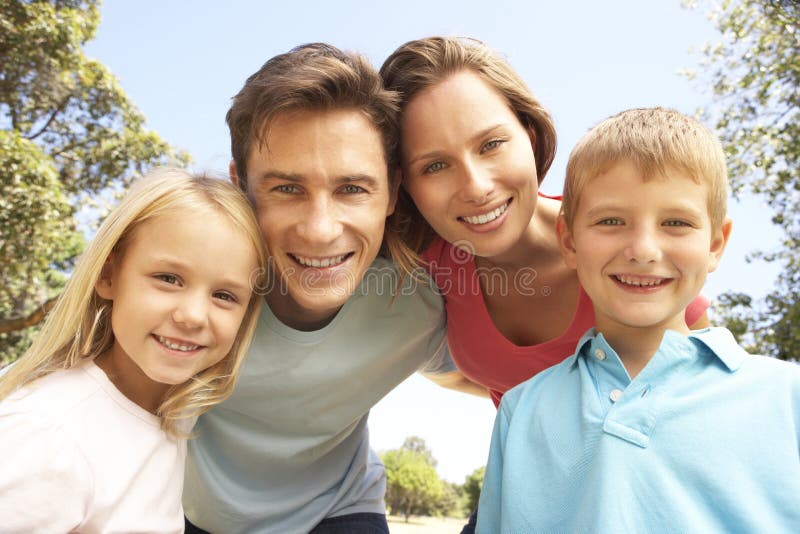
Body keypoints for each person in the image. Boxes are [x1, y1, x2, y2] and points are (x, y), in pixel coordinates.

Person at [182, 43, 472, 534]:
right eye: (287, 189)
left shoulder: (416, 302)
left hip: (339, 510)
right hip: (196, 515)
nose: (320, 230)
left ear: (392, 192)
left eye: (352, 189)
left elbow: (477, 372)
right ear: (240, 188)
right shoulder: (191, 295)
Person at [476, 107, 800, 532]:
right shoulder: (521, 410)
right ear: (569, 241)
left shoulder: (787, 397)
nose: (643, 249)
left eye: (676, 223)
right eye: (611, 221)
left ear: (716, 244)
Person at [380, 37, 711, 407]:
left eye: (491, 145)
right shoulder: (422, 269)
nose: (476, 187)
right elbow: (447, 373)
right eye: (435, 166)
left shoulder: (619, 239)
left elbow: (708, 379)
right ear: (404, 186)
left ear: (530, 134)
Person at [0, 168, 266, 533]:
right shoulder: (46, 435)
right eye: (168, 278)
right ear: (108, 275)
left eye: (224, 296)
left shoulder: (175, 410)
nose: (192, 316)